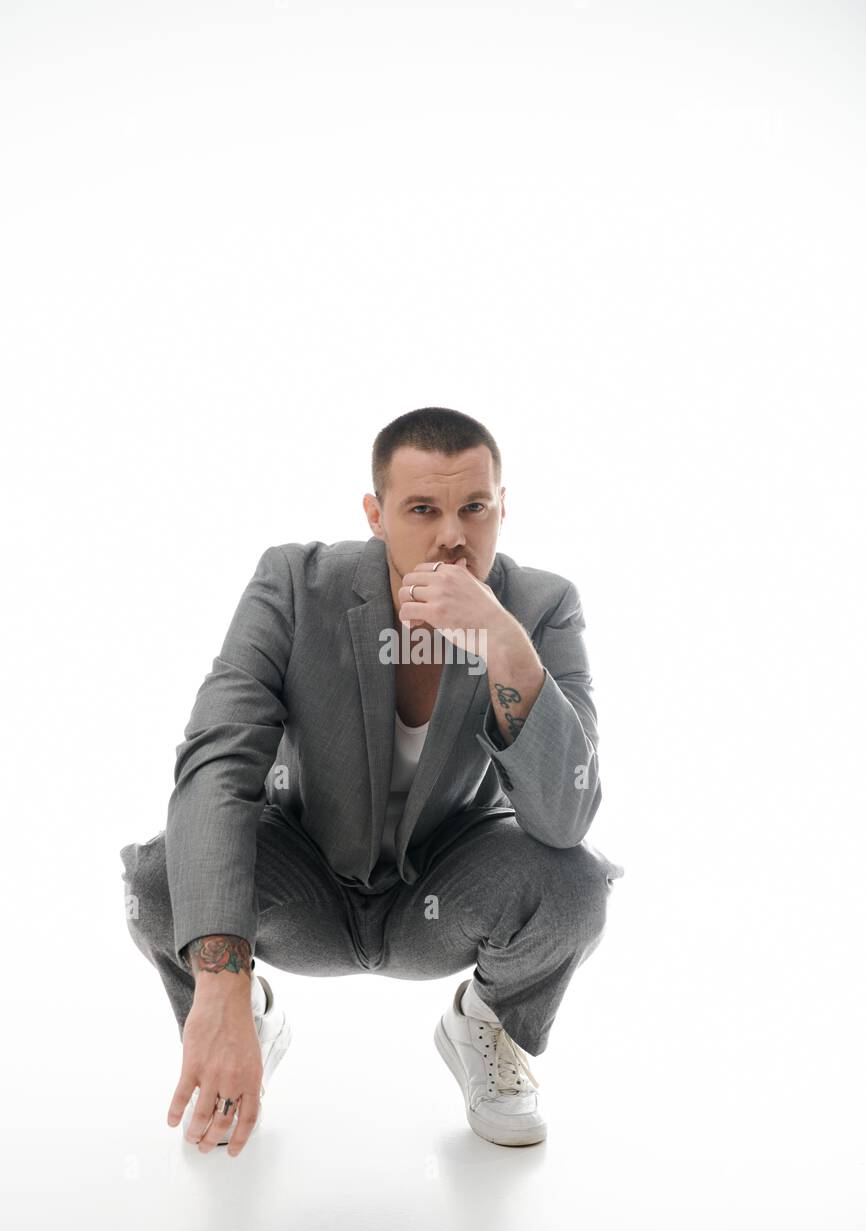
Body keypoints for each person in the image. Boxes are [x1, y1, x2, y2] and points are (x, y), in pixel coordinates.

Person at [120, 405, 624, 1157]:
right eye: (423, 509)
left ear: (501, 509)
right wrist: (220, 983)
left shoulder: (542, 607)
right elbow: (218, 762)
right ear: (377, 516)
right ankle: (243, 1016)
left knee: (576, 886)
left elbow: (564, 820)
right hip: (306, 882)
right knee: (162, 881)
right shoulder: (294, 582)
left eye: (474, 507)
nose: (453, 535)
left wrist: (506, 647)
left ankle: (483, 1023)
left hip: (446, 890)